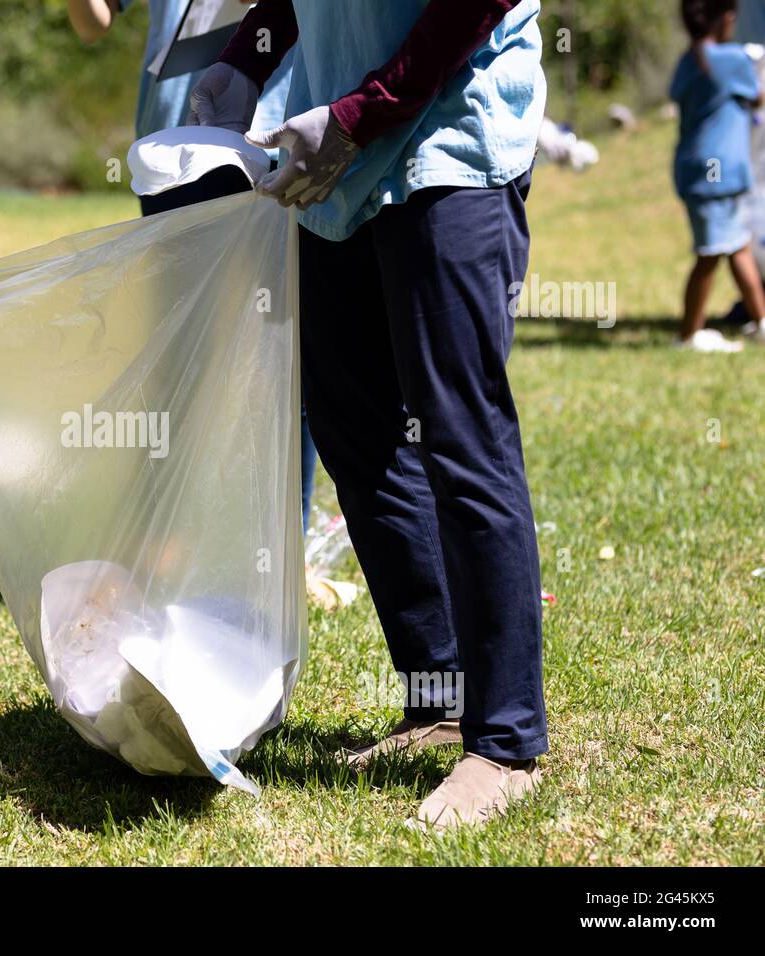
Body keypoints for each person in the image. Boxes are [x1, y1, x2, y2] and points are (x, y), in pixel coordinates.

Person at [191, 0, 548, 829]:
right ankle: (439, 698)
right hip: (336, 161)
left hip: (444, 142)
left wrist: (361, 115)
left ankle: (504, 743)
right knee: (359, 436)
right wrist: (249, 56)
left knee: (460, 438)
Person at [66, 0, 324, 530]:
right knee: (179, 348)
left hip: (275, 135)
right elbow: (92, 24)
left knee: (286, 345)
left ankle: (281, 547)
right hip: (176, 147)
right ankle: (168, 540)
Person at [672, 0, 765, 352]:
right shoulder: (732, 60)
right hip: (719, 172)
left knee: (737, 245)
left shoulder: (687, 60)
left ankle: (761, 321)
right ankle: (689, 335)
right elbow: (757, 98)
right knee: (711, 252)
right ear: (726, 18)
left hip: (694, 167)